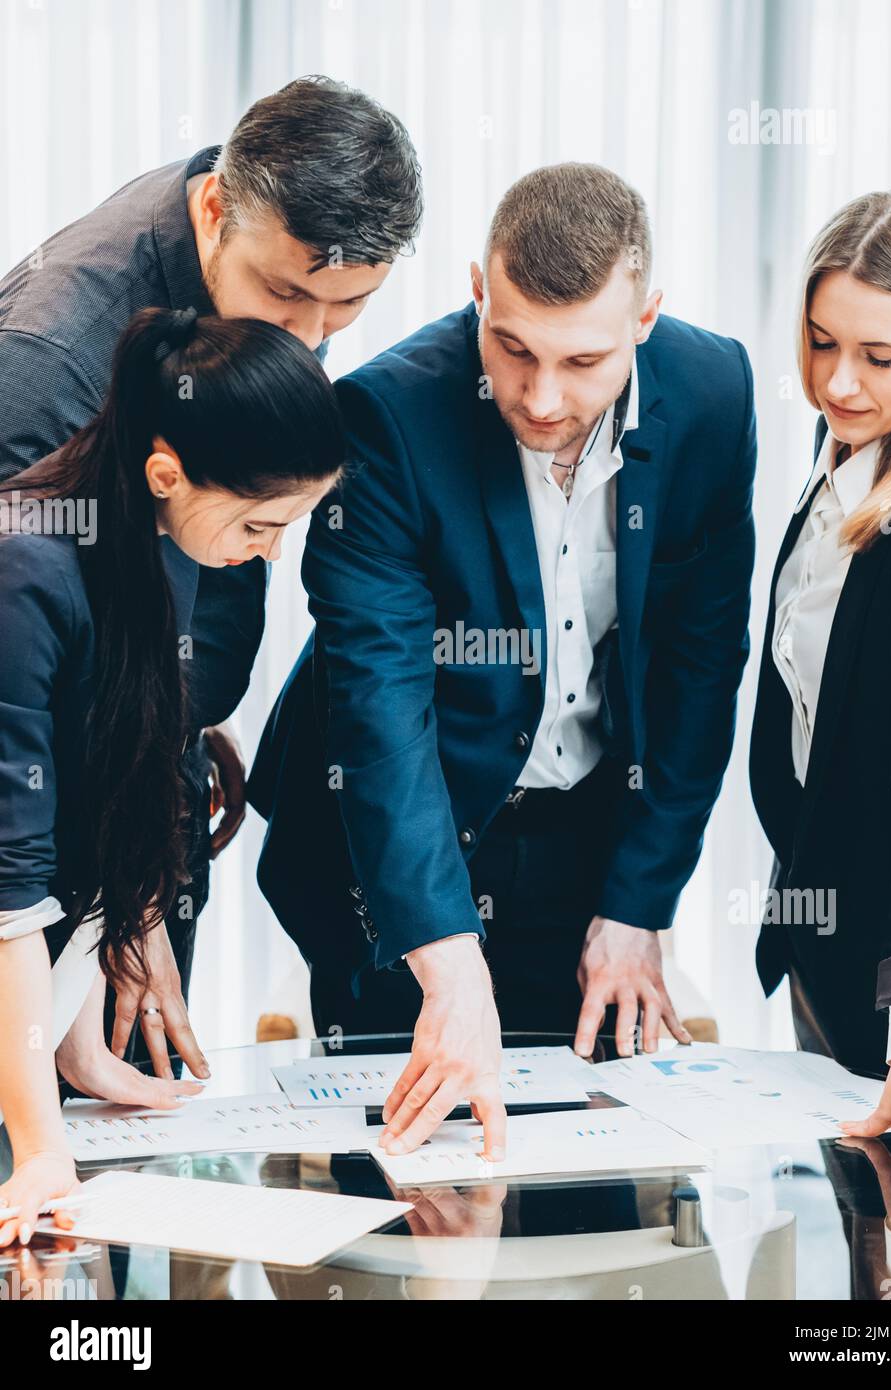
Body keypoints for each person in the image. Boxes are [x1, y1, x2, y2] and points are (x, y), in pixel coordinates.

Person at [251, 163, 756, 1157]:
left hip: (585, 835)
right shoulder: (385, 415)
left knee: (585, 1172)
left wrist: (636, 902)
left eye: (582, 361)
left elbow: (699, 665)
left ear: (645, 318)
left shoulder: (712, 392)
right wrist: (446, 966)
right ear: (477, 288)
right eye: (512, 347)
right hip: (389, 845)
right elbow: (378, 705)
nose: (538, 395)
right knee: (406, 1181)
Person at [0, 73, 422, 1067]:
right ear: (209, 211)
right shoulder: (53, 363)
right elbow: (26, 693)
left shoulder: (262, 275)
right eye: (284, 294)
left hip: (136, 807)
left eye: (347, 306)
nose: (307, 338)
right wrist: (110, 901)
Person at [0, 305, 345, 1246]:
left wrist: (82, 1054)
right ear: (167, 473)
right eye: (262, 522)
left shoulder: (161, 534)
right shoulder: (24, 573)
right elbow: (10, 894)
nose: (271, 548)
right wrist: (38, 1143)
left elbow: (117, 779)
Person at [749, 189, 891, 1164]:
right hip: (834, 951)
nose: (836, 382)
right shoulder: (851, 444)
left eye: (878, 358)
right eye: (817, 342)